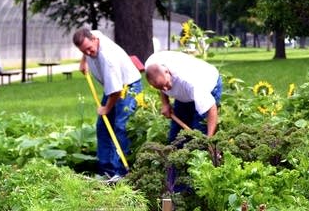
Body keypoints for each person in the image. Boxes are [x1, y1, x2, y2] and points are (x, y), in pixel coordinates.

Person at [72, 27, 143, 182]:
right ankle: (106, 170)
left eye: (89, 49)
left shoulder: (108, 58)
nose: (89, 53)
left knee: (120, 126)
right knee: (102, 127)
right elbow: (91, 36)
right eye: (84, 51)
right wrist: (83, 61)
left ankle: (120, 173)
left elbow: (116, 92)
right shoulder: (94, 36)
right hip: (113, 88)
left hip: (127, 87)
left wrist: (106, 108)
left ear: (94, 41)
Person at [143, 50, 222, 142]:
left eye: (166, 84)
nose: (165, 89)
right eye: (160, 87)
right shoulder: (152, 66)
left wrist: (209, 140)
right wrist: (165, 103)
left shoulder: (190, 81)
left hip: (208, 83)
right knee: (176, 138)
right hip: (184, 94)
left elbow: (211, 109)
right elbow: (161, 83)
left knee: (200, 135)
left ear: (167, 71)